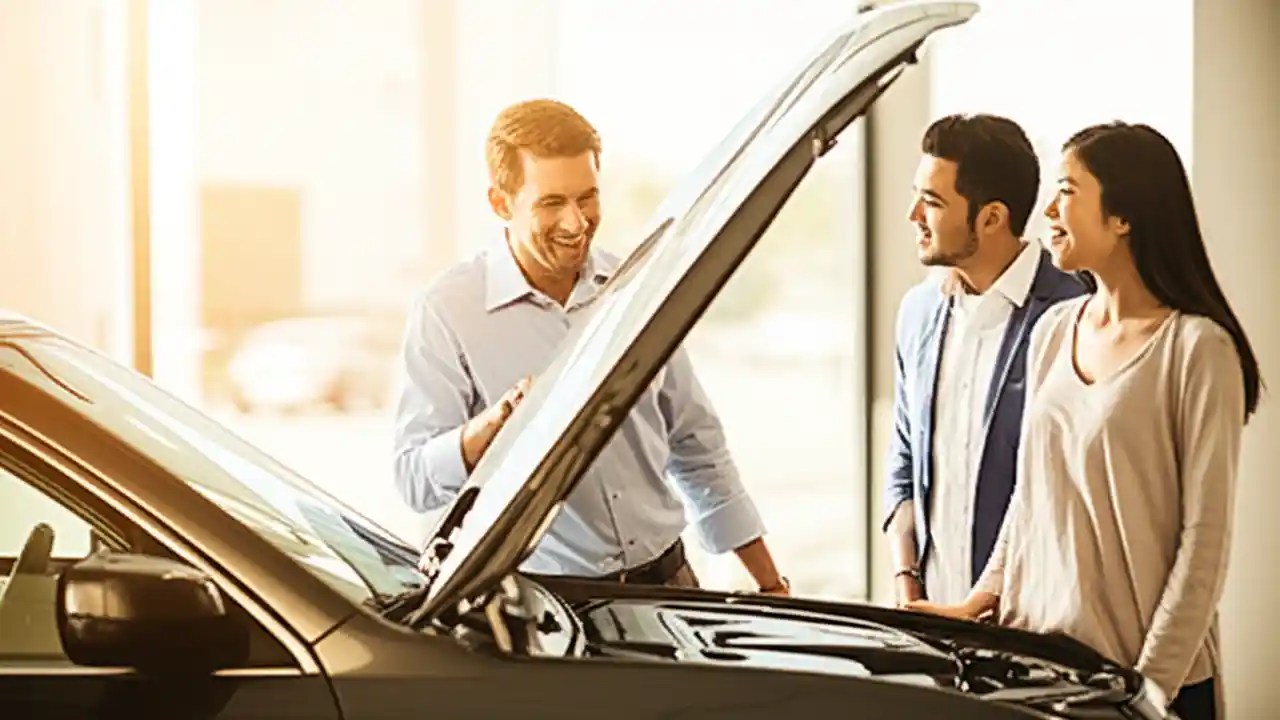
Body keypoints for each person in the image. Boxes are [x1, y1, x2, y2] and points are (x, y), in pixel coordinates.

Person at [906, 121, 1261, 720]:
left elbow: (1204, 546)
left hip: (1144, 687)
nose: (1047, 210)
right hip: (1044, 674)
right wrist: (979, 601)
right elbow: (1029, 497)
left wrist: (1145, 689)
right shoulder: (1052, 331)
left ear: (1122, 217)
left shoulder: (1197, 349)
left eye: (1067, 191)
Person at [393, 98, 789, 594]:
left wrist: (770, 584)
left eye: (587, 198)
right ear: (500, 203)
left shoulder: (638, 286)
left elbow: (697, 444)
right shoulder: (448, 310)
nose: (577, 223)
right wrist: (488, 430)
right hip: (551, 606)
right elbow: (413, 477)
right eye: (552, 203)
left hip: (669, 584)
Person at [884, 114, 1086, 608]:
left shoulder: (1073, 313)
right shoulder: (917, 311)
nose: (913, 214)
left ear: (991, 217)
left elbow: (1066, 488)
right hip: (936, 621)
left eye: (932, 202)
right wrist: (906, 580)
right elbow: (905, 459)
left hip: (1034, 622)